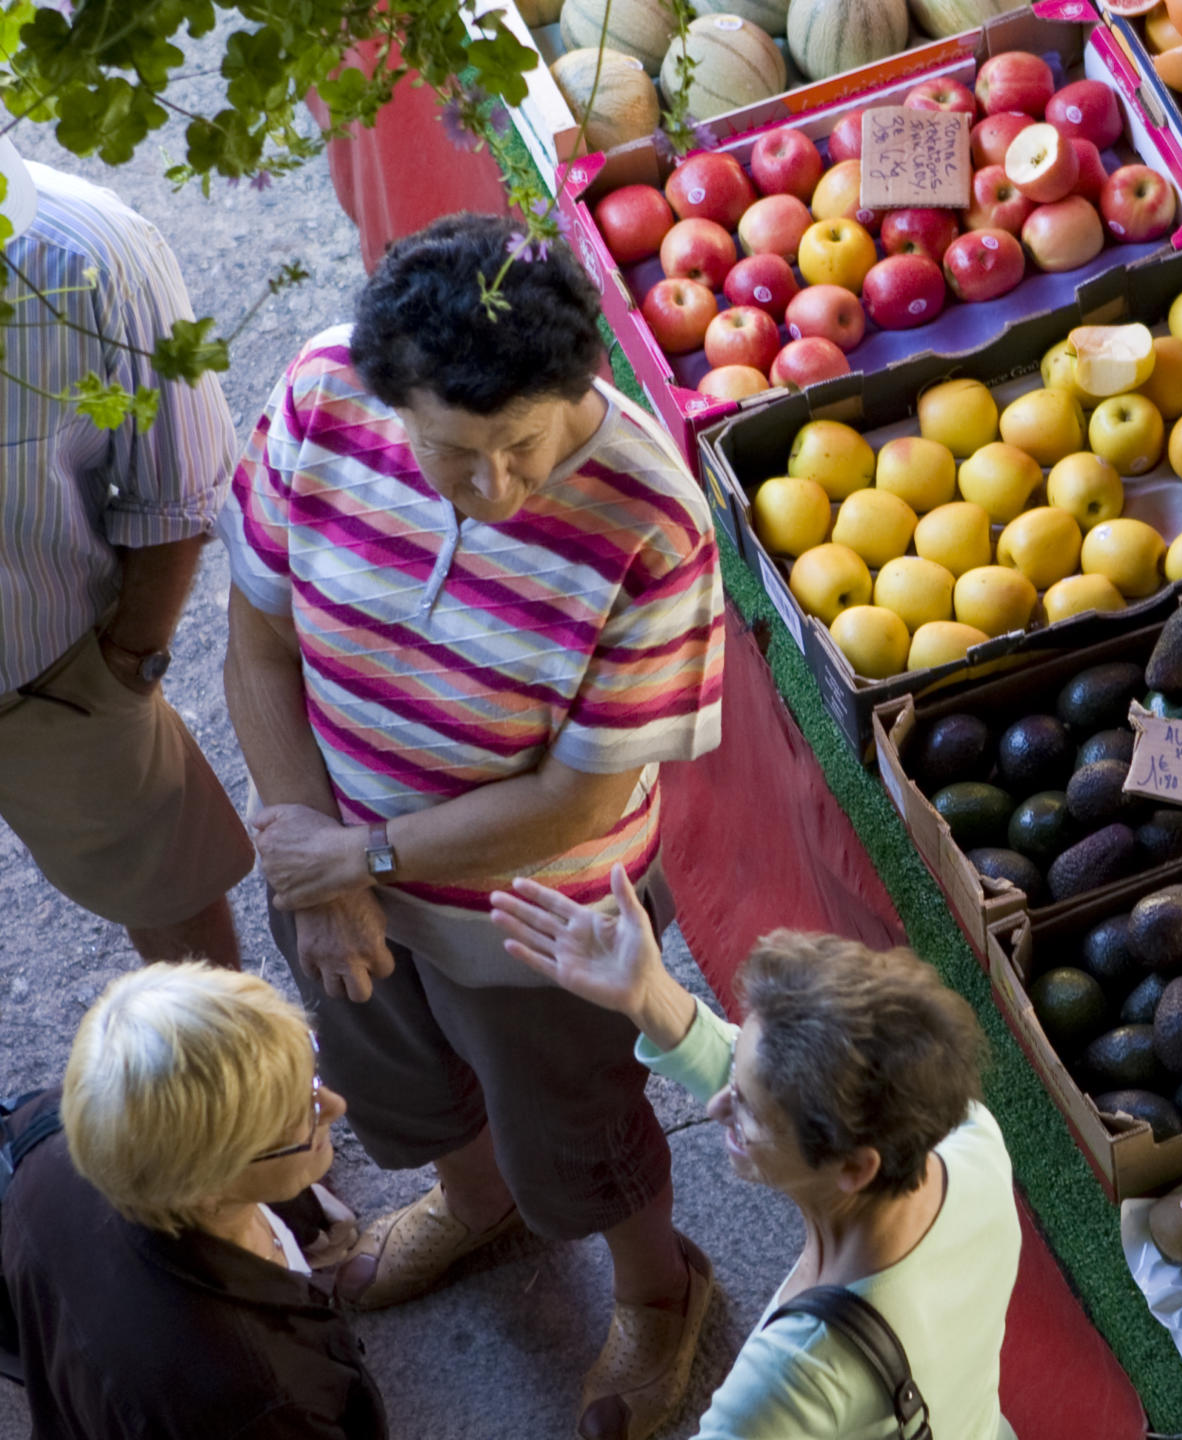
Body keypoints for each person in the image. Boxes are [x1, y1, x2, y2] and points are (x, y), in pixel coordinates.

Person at [218, 211, 725, 1440]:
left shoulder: (654, 525)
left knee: (580, 1124)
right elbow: (257, 648)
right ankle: (470, 1198)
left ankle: (662, 1292)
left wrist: (359, 856)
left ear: (579, 388)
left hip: (535, 910)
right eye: (454, 452)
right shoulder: (320, 394)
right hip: (333, 856)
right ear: (389, 400)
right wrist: (321, 865)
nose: (495, 485)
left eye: (524, 443)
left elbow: (581, 798)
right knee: (393, 1077)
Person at [491, 865, 1022, 1440]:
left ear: (852, 1168)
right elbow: (778, 1089)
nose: (717, 1107)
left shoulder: (796, 1381)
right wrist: (649, 993)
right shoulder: (968, 1135)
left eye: (745, 1110)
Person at [0, 138, 251, 967]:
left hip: (49, 677)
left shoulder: (93, 257)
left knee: (169, 895)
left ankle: (237, 1097)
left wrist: (126, 666)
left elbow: (180, 490)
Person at [0, 962, 383, 1439]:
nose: (333, 1105)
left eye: (309, 1067)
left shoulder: (69, 1128)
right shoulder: (265, 1399)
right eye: (299, 1116)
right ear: (207, 1186)